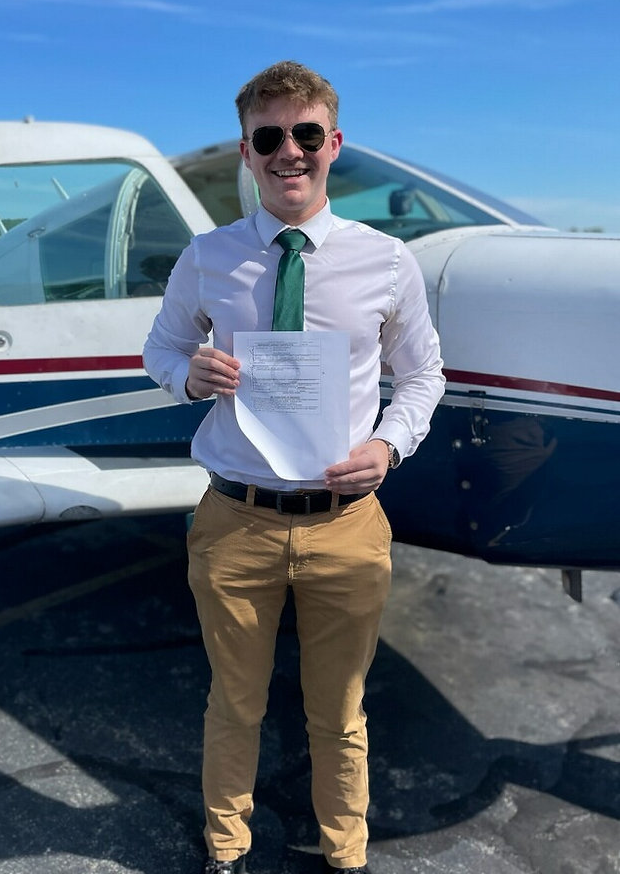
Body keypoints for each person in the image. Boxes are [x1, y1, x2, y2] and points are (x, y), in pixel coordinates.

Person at [143, 61, 445, 874]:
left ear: (332, 144)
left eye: (305, 135)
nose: (289, 152)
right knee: (233, 703)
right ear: (247, 151)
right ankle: (227, 849)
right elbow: (161, 346)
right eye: (269, 137)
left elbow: (423, 376)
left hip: (345, 527)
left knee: (339, 712)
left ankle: (345, 855)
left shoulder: (386, 262)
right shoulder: (209, 257)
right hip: (234, 521)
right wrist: (186, 375)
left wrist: (387, 446)